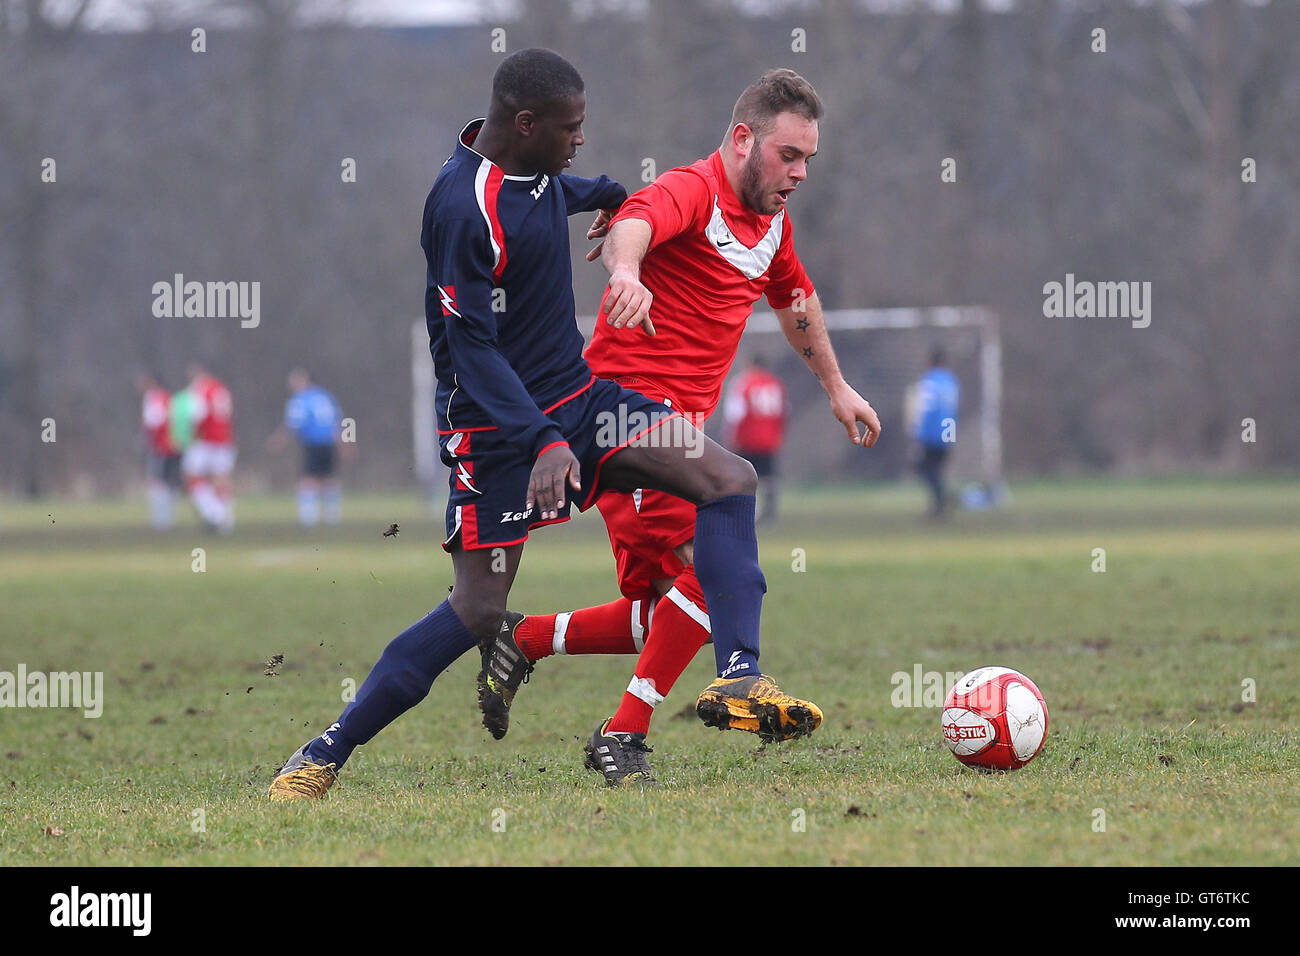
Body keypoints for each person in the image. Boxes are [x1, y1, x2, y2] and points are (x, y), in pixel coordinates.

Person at [268, 49, 822, 800]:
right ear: (525, 125)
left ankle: (739, 678)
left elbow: (576, 189)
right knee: (476, 609)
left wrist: (617, 206)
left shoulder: (534, 170)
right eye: (572, 128)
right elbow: (472, 350)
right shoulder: (462, 209)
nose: (581, 139)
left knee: (728, 479)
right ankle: (323, 753)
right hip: (494, 432)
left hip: (583, 401)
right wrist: (541, 439)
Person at [480, 69, 882, 786]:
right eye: (788, 155)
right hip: (624, 420)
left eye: (808, 161)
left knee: (660, 613)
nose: (799, 173)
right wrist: (627, 272)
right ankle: (655, 719)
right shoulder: (692, 189)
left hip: (679, 433)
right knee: (712, 566)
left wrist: (837, 386)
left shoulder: (771, 225)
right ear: (741, 139)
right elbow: (638, 219)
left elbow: (797, 301)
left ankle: (526, 637)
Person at [265, 369, 347, 526]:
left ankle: (308, 519)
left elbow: (294, 424)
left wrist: (279, 440)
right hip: (329, 442)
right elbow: (340, 421)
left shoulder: (300, 400)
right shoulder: (325, 395)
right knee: (329, 479)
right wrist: (345, 444)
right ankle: (333, 517)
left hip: (313, 443)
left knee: (308, 480)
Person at [724, 354, 789, 525]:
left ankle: (744, 512)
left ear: (750, 364)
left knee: (743, 475)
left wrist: (731, 436)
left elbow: (735, 413)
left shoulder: (743, 383)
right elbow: (784, 412)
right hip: (769, 439)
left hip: (747, 437)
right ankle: (769, 514)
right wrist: (778, 434)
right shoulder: (775, 384)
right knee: (768, 477)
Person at [179, 362, 237, 533]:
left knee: (192, 476)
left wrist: (192, 433)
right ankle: (226, 518)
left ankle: (214, 513)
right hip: (225, 439)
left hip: (205, 440)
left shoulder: (199, 391)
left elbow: (198, 415)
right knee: (221, 478)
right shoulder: (221, 388)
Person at [911, 347, 959, 517]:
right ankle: (941, 503)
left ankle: (942, 500)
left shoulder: (929, 382)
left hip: (931, 434)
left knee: (925, 470)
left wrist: (917, 433)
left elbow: (925, 410)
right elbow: (952, 410)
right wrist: (950, 436)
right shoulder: (951, 381)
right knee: (936, 471)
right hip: (947, 433)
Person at [135, 372, 182, 529]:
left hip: (162, 447)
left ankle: (162, 521)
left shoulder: (154, 398)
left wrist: (148, 440)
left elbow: (153, 422)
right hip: (174, 445)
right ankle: (166, 519)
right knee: (170, 483)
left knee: (158, 483)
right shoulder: (169, 397)